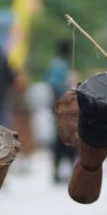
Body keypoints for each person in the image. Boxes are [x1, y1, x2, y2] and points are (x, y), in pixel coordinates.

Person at [46, 39, 75, 182]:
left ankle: (63, 170)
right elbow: (55, 85)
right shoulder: (59, 65)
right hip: (62, 107)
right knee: (62, 138)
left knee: (64, 138)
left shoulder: (59, 64)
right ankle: (59, 170)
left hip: (62, 107)